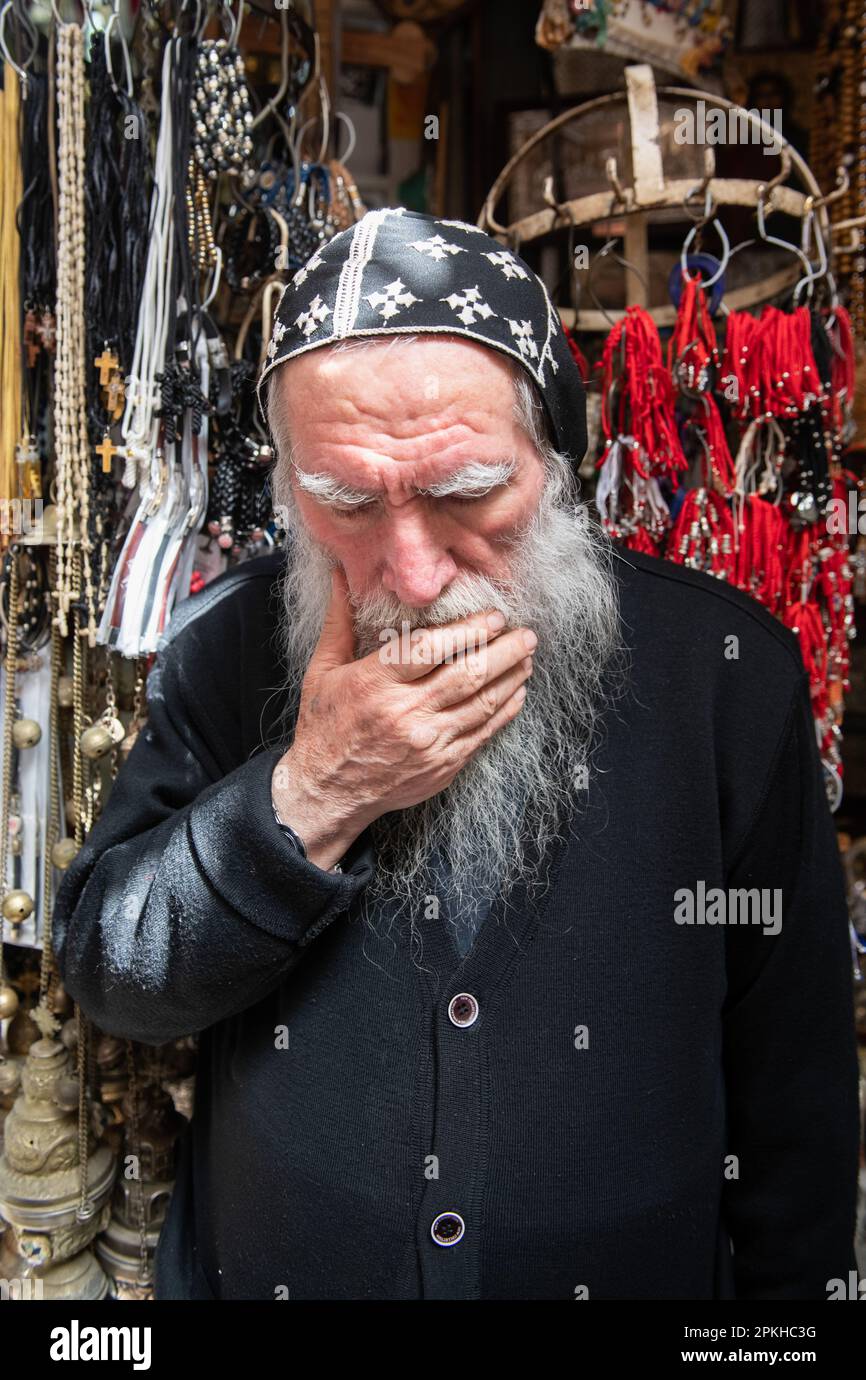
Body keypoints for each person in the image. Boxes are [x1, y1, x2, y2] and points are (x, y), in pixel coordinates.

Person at [53, 209, 861, 1300]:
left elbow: (794, 1107)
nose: (414, 570)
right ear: (287, 484)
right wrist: (312, 794)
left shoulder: (724, 675)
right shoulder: (223, 645)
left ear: (554, 455)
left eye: (468, 492)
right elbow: (116, 976)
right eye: (344, 501)